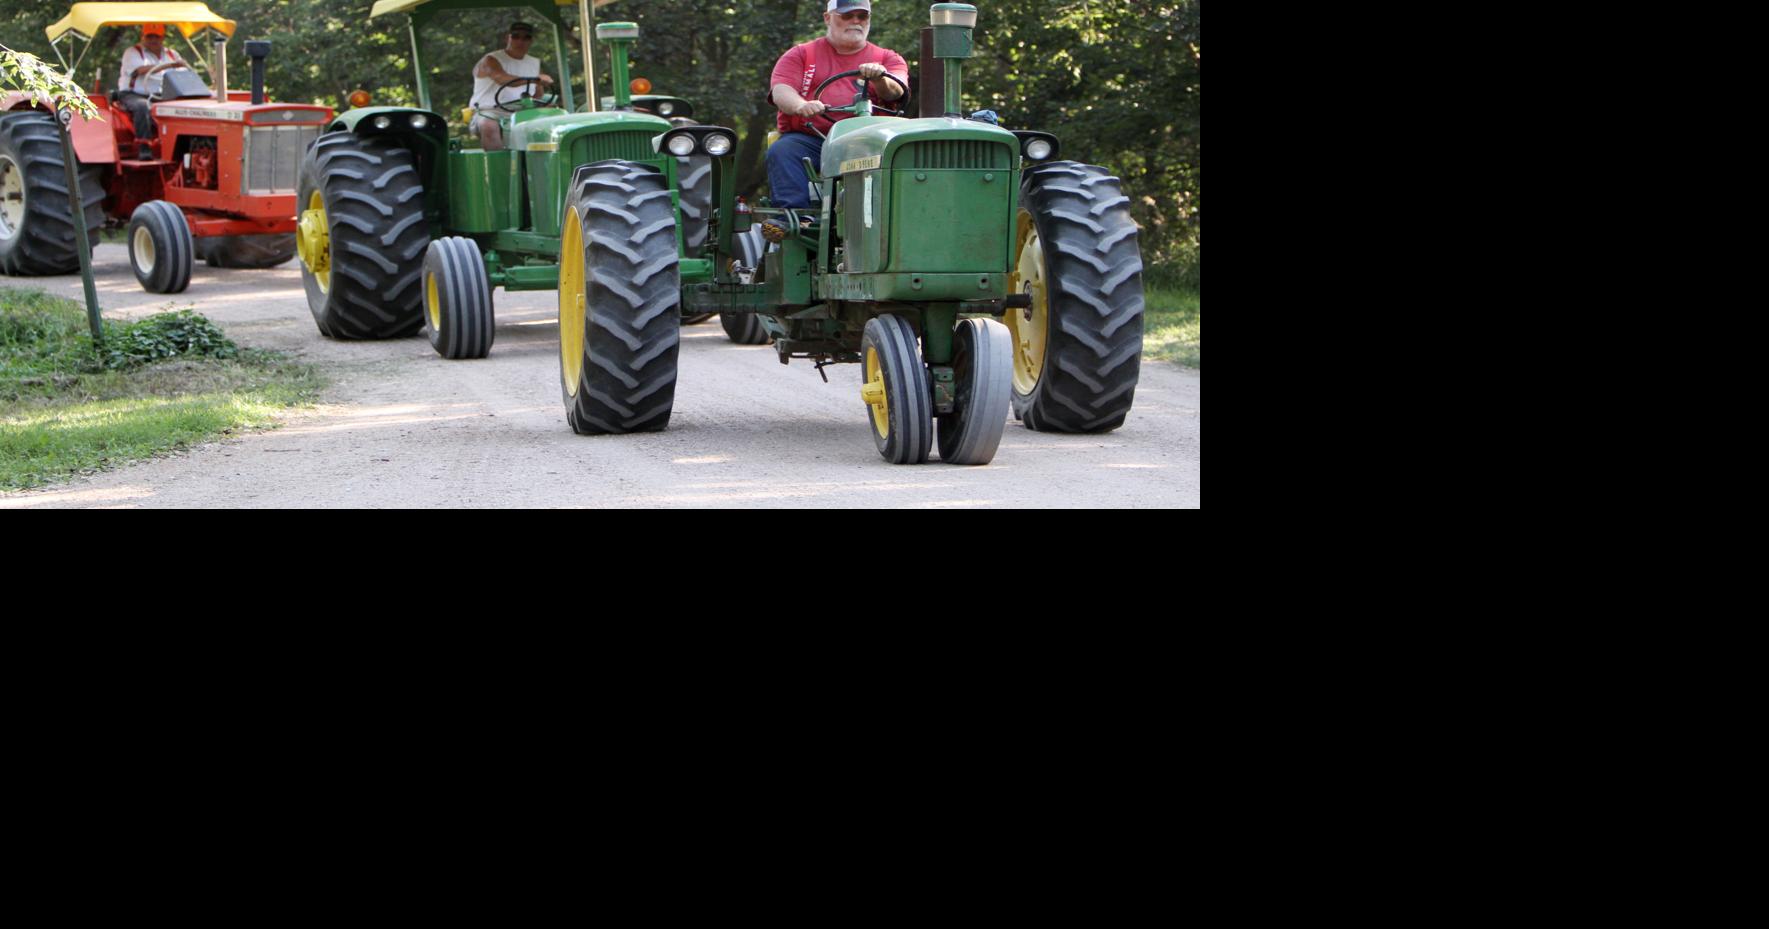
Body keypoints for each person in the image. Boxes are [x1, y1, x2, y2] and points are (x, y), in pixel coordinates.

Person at [764, 0, 908, 235]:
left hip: (870, 144)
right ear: (828, 18)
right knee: (783, 151)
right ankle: (798, 220)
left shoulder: (887, 59)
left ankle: (898, 220)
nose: (855, 22)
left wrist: (880, 78)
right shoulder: (801, 54)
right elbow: (782, 91)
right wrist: (802, 105)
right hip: (815, 140)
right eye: (847, 15)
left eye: (862, 16)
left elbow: (896, 91)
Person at [469, 21, 555, 151]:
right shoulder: (491, 59)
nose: (521, 41)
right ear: (507, 38)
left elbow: (538, 95)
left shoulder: (534, 63)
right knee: (489, 126)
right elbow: (501, 78)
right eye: (516, 36)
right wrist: (535, 79)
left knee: (554, 120)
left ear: (532, 41)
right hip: (490, 111)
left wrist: (543, 100)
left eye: (527, 37)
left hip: (522, 111)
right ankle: (499, 169)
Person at [116, 24, 189, 157]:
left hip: (162, 95)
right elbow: (139, 70)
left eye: (157, 36)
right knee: (142, 106)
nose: (153, 40)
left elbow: (183, 73)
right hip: (133, 94)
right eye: (149, 36)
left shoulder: (172, 54)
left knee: (183, 106)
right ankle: (144, 146)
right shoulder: (133, 52)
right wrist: (169, 65)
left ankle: (182, 147)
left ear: (163, 38)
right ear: (142, 37)